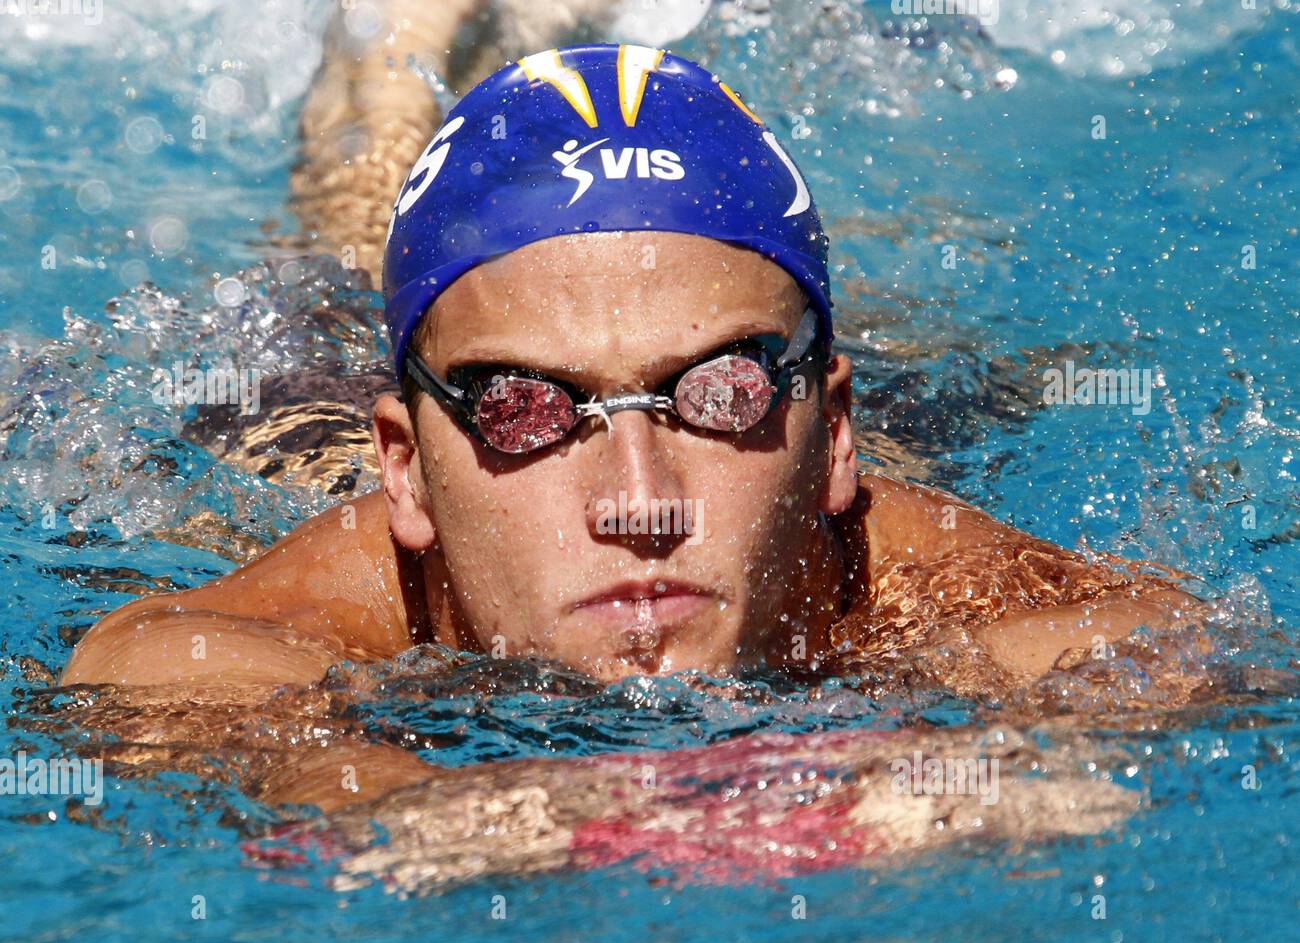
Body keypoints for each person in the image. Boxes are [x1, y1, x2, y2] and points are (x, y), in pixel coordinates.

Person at [62, 41, 1193, 699]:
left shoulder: (870, 579)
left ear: (835, 434)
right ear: (405, 471)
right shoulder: (382, 596)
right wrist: (370, 793)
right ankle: (380, 71)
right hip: (296, 405)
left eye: (718, 392)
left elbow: (1166, 642)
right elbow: (145, 666)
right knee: (323, 261)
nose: (639, 503)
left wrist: (990, 752)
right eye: (522, 408)